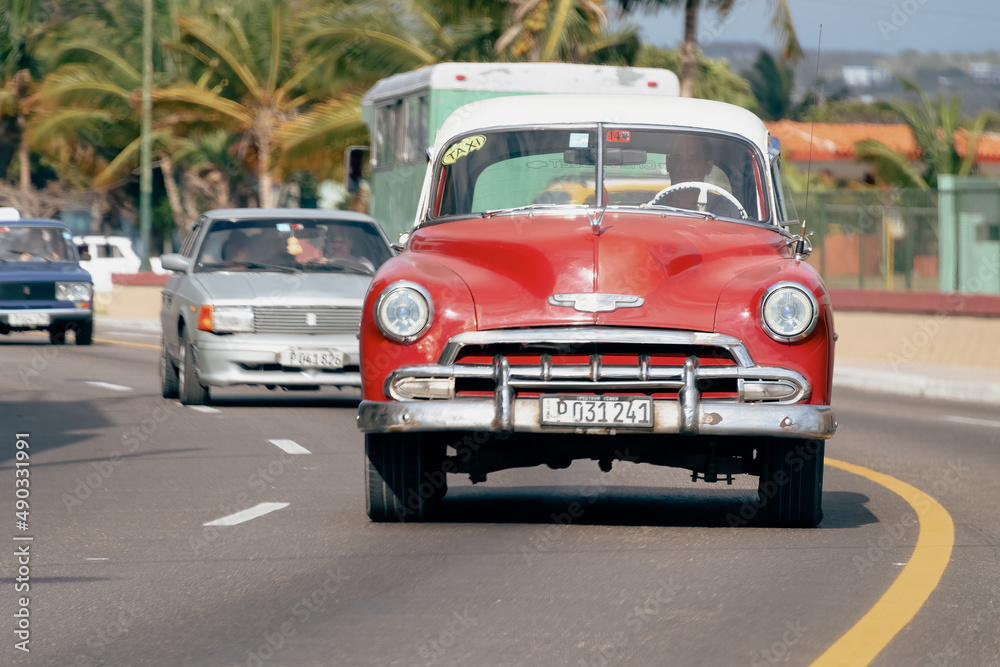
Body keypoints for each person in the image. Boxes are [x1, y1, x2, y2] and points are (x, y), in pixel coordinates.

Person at [661, 135, 744, 219]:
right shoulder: (652, 209)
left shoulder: (727, 212)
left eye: (693, 160)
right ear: (668, 163)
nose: (684, 167)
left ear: (708, 166)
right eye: (677, 158)